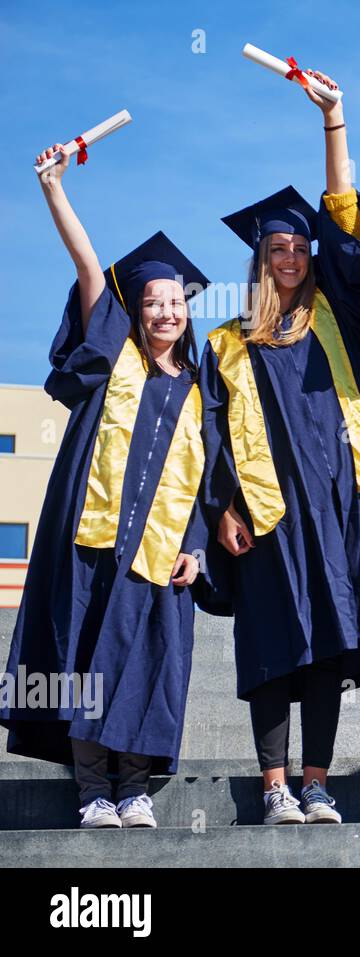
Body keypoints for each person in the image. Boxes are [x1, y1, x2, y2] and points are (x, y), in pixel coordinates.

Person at [199, 66, 360, 825]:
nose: (290, 254)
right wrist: (220, 508)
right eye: (277, 245)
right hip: (269, 516)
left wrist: (334, 123)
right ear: (259, 256)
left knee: (330, 651)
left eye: (299, 244)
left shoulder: (335, 318)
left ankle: (317, 781)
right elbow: (211, 435)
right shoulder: (224, 342)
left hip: (340, 508)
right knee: (275, 648)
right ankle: (274, 782)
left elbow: (350, 229)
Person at [0, 145, 212, 829]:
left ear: (188, 311)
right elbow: (89, 267)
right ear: (133, 310)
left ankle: (134, 788)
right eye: (152, 302)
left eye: (176, 301)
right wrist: (56, 190)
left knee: (147, 667)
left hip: (159, 558)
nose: (166, 312)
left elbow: (214, 479)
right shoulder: (111, 357)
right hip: (93, 545)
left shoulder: (202, 392)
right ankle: (93, 789)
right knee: (84, 660)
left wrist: (199, 547)